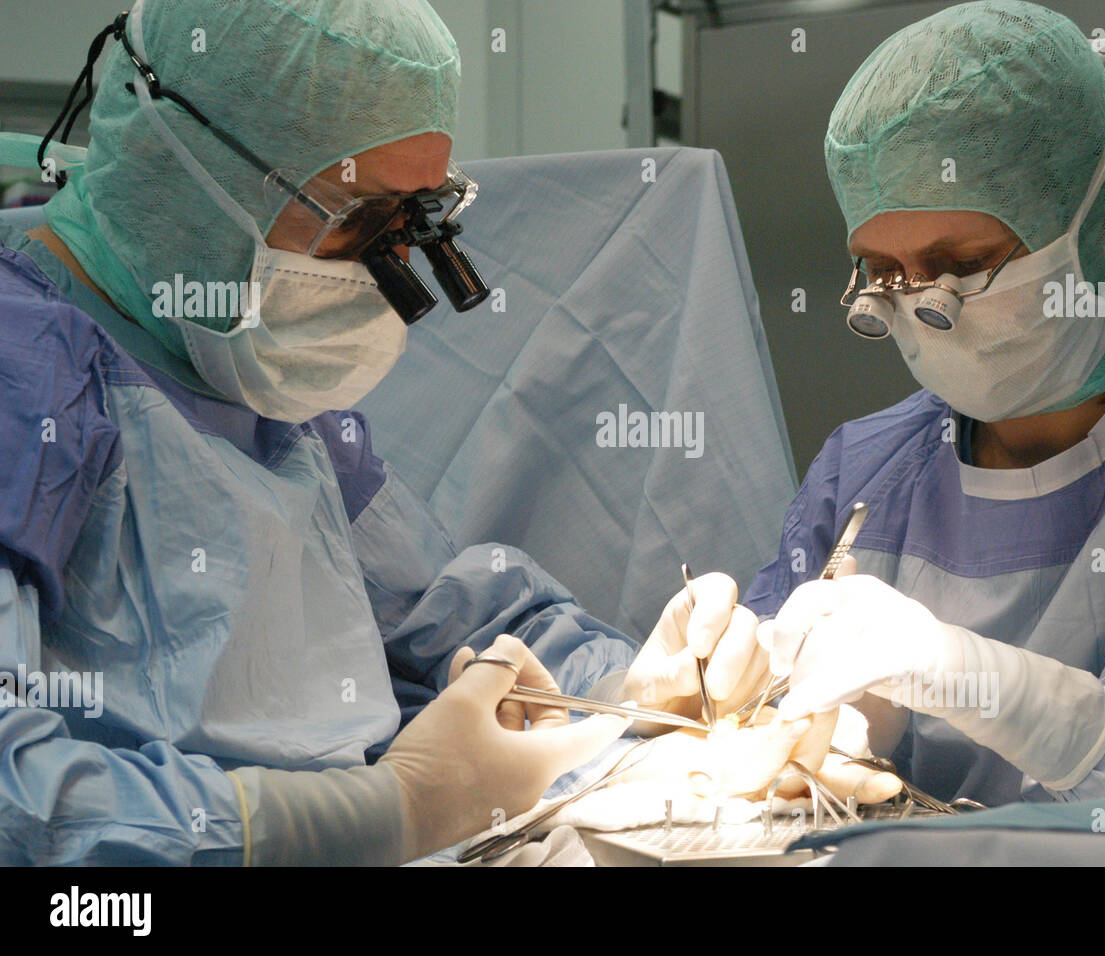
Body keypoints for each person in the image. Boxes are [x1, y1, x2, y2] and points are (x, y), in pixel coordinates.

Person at [0, 0, 813, 865]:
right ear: (188, 168)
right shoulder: (25, 372)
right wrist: (385, 810)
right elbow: (21, 801)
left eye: (416, 221)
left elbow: (447, 610)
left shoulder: (262, 388)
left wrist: (627, 692)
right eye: (358, 220)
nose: (386, 266)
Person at [631, 0, 1105, 806]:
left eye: (962, 262)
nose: (922, 305)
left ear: (1102, 222)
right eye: (883, 272)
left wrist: (997, 689)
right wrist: (732, 693)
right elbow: (766, 731)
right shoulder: (865, 469)